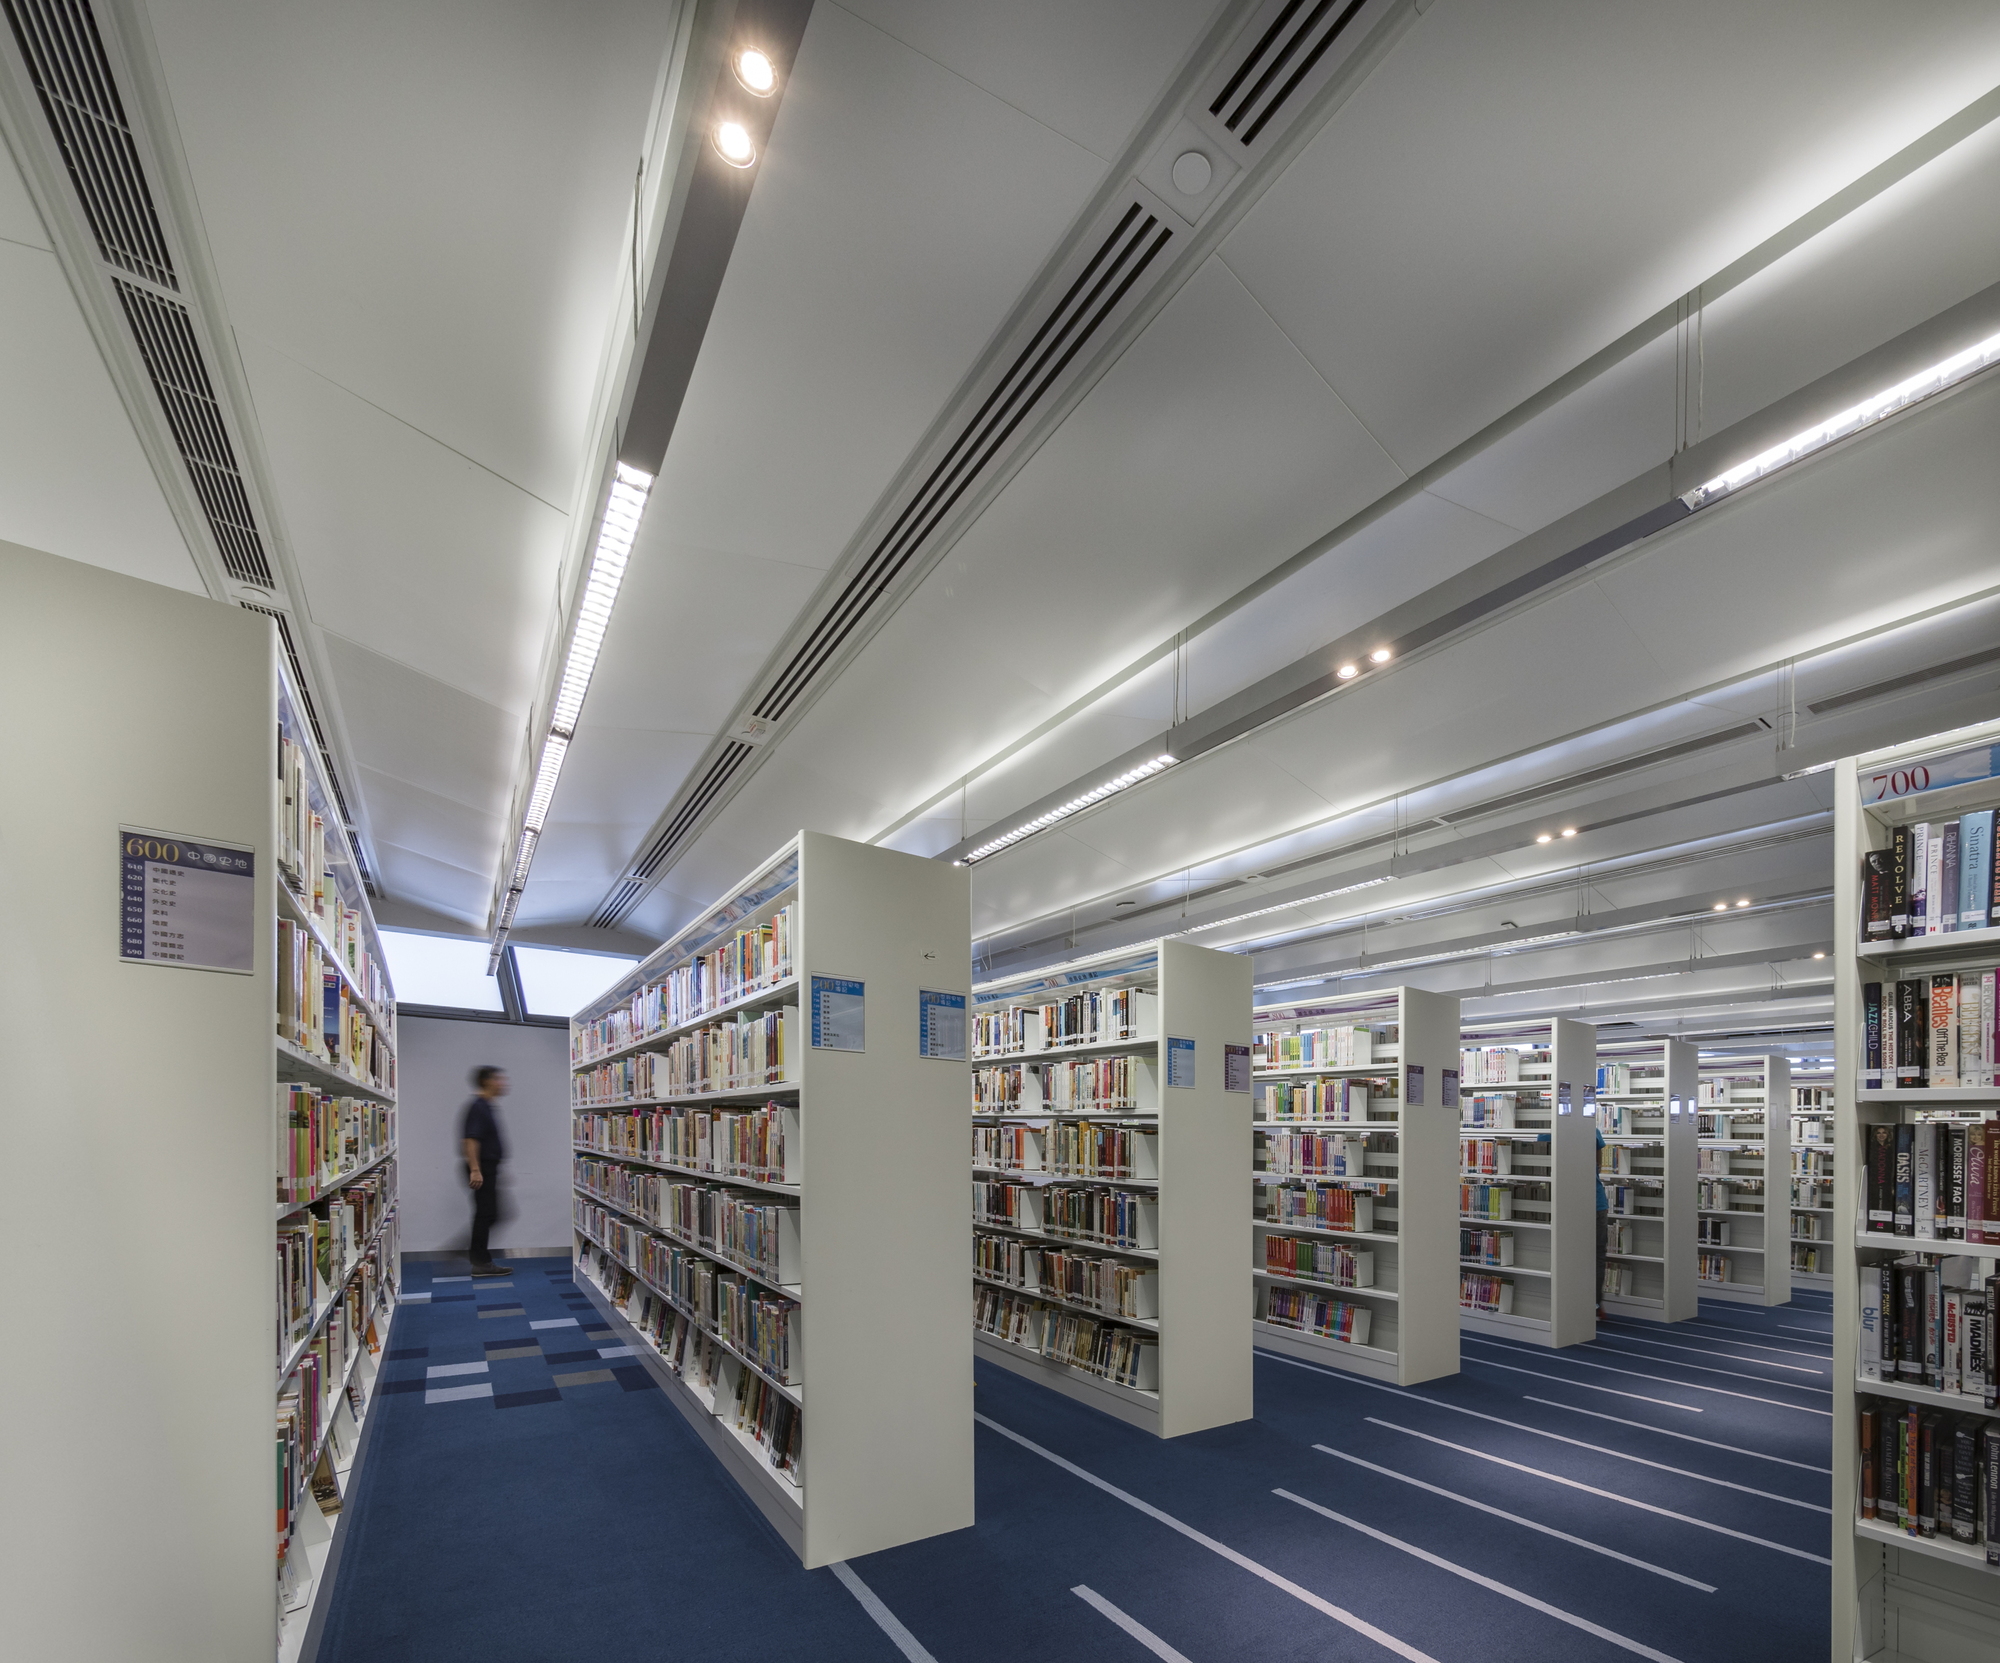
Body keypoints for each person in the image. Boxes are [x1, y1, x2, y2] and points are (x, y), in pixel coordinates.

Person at [462, 1065, 509, 1276]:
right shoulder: (478, 1106)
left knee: (489, 1214)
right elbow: (471, 1139)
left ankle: (477, 1258)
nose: (503, 1084)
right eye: (499, 1079)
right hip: (482, 1168)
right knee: (486, 1215)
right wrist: (475, 1170)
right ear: (488, 1081)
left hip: (488, 1168)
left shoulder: (487, 1106)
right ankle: (479, 1262)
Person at [1594, 1116, 1610, 1321]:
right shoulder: (1592, 1131)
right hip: (1597, 1203)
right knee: (1597, 1257)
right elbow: (1597, 1165)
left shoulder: (1547, 1134)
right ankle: (1596, 1305)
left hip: (1569, 1205)